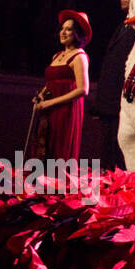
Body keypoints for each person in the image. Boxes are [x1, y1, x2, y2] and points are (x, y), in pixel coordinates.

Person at [88, 0, 135, 172]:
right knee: (107, 151)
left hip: (121, 101)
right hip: (109, 102)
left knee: (119, 154)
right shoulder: (123, 25)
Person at [34, 10, 91, 159]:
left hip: (65, 109)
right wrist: (41, 95)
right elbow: (51, 82)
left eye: (69, 29)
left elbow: (83, 89)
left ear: (77, 33)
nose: (63, 32)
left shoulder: (80, 56)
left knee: (59, 147)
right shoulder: (57, 55)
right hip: (49, 108)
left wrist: (50, 103)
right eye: (62, 29)